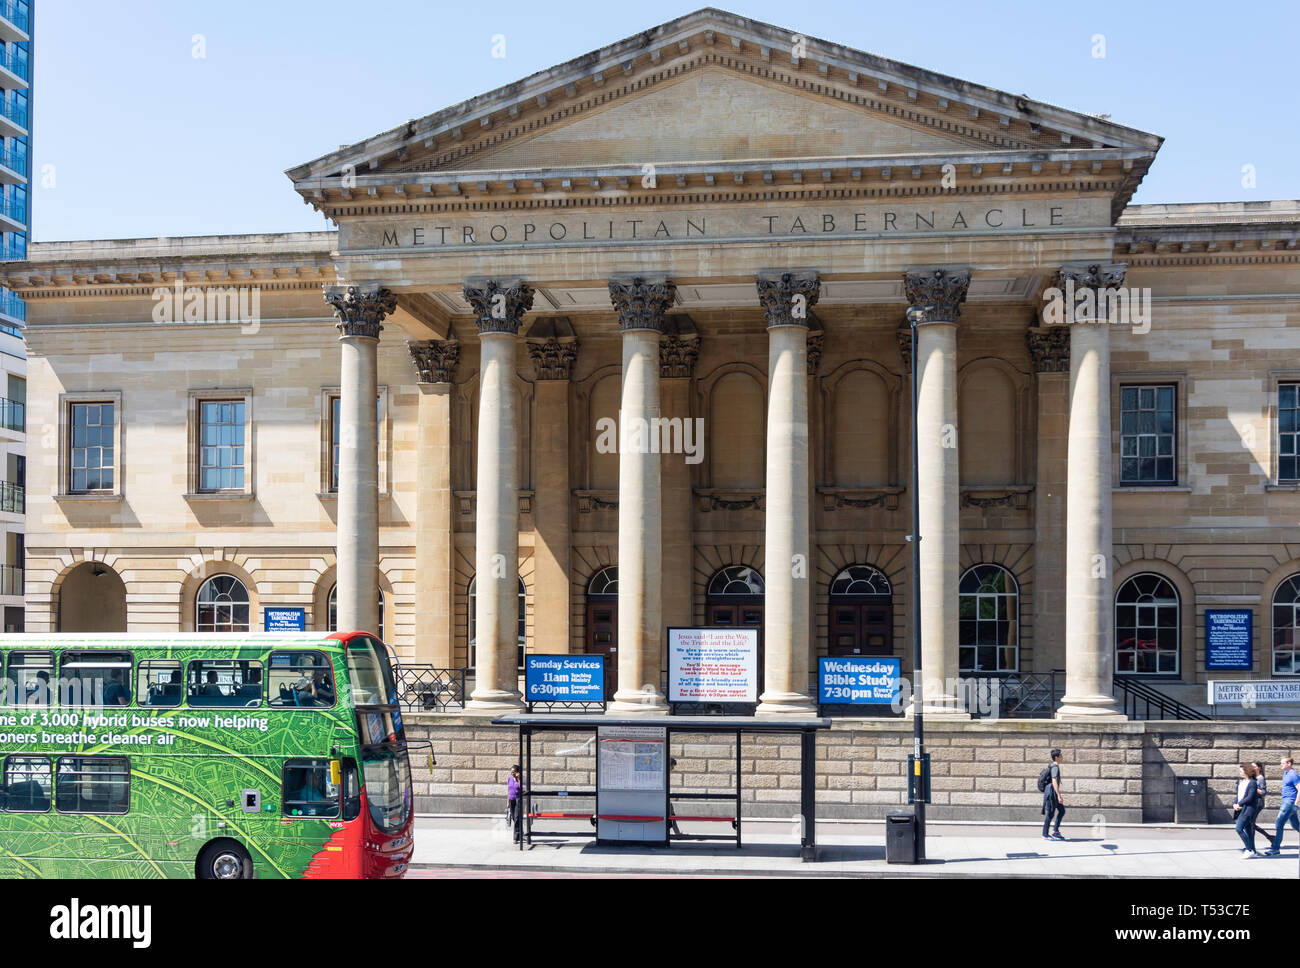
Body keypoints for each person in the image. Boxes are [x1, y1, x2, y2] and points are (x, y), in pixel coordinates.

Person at [1264, 756, 1300, 856]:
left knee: (1279, 824)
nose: (1281, 765)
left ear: (1289, 764)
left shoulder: (1293, 774)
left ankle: (1275, 848)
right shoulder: (1285, 773)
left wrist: (1296, 804)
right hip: (1286, 802)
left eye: (1283, 763)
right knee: (1296, 825)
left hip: (1289, 803)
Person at [1232, 763, 1261, 857]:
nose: (1240, 772)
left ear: (1246, 771)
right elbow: (1239, 795)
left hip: (1248, 809)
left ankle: (1249, 850)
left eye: (1241, 771)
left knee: (1239, 828)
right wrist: (1235, 803)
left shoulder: (1252, 783)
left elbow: (1250, 797)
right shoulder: (1243, 782)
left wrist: (1239, 804)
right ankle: (1254, 851)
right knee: (1249, 831)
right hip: (1241, 808)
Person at [1041, 748, 1065, 841]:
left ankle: (1055, 831)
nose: (1062, 757)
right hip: (1052, 792)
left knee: (1062, 810)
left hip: (1052, 792)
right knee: (1050, 813)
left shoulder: (1053, 766)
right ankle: (1045, 834)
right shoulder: (1054, 767)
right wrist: (1058, 795)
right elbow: (1054, 781)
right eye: (1061, 756)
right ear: (1056, 757)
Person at [506, 764, 522, 844]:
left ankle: (515, 838)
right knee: (513, 818)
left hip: (518, 800)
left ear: (517, 772)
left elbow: (522, 788)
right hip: (511, 800)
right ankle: (520, 833)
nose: (512, 774)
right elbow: (508, 791)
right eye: (511, 772)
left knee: (516, 818)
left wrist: (518, 779)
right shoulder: (509, 779)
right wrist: (507, 802)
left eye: (514, 772)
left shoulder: (521, 779)